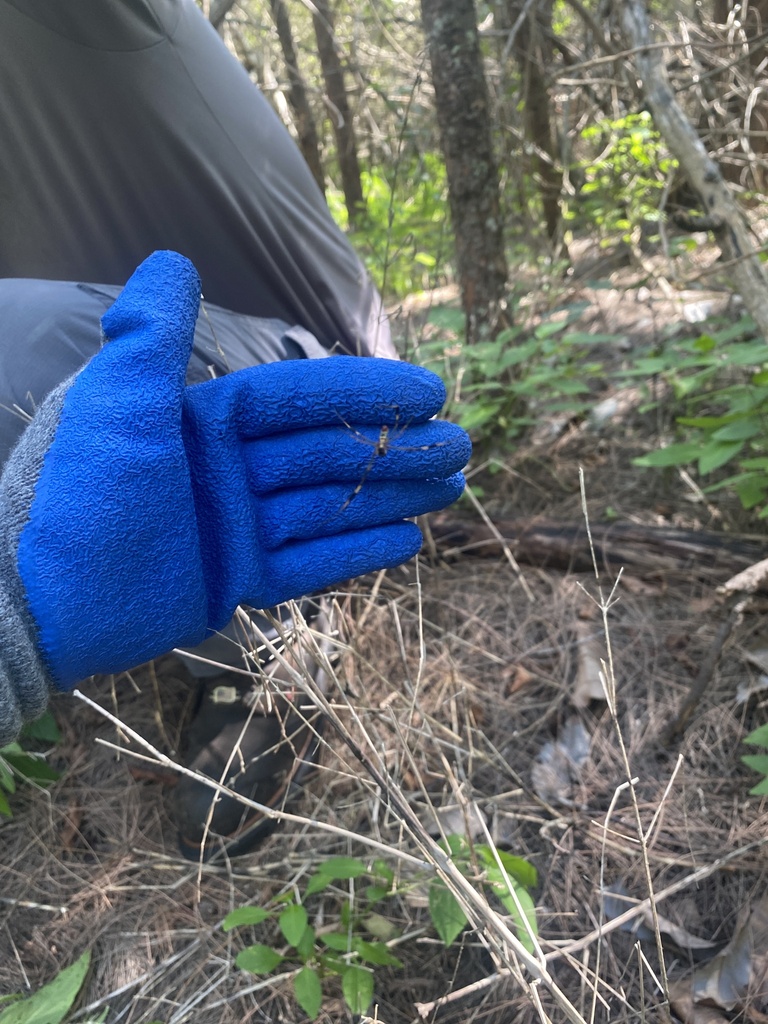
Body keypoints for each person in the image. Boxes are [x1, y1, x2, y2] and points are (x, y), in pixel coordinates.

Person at [0, 1, 471, 859]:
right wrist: (15, 630)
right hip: (118, 353)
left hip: (292, 351)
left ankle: (251, 661)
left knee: (28, 350)